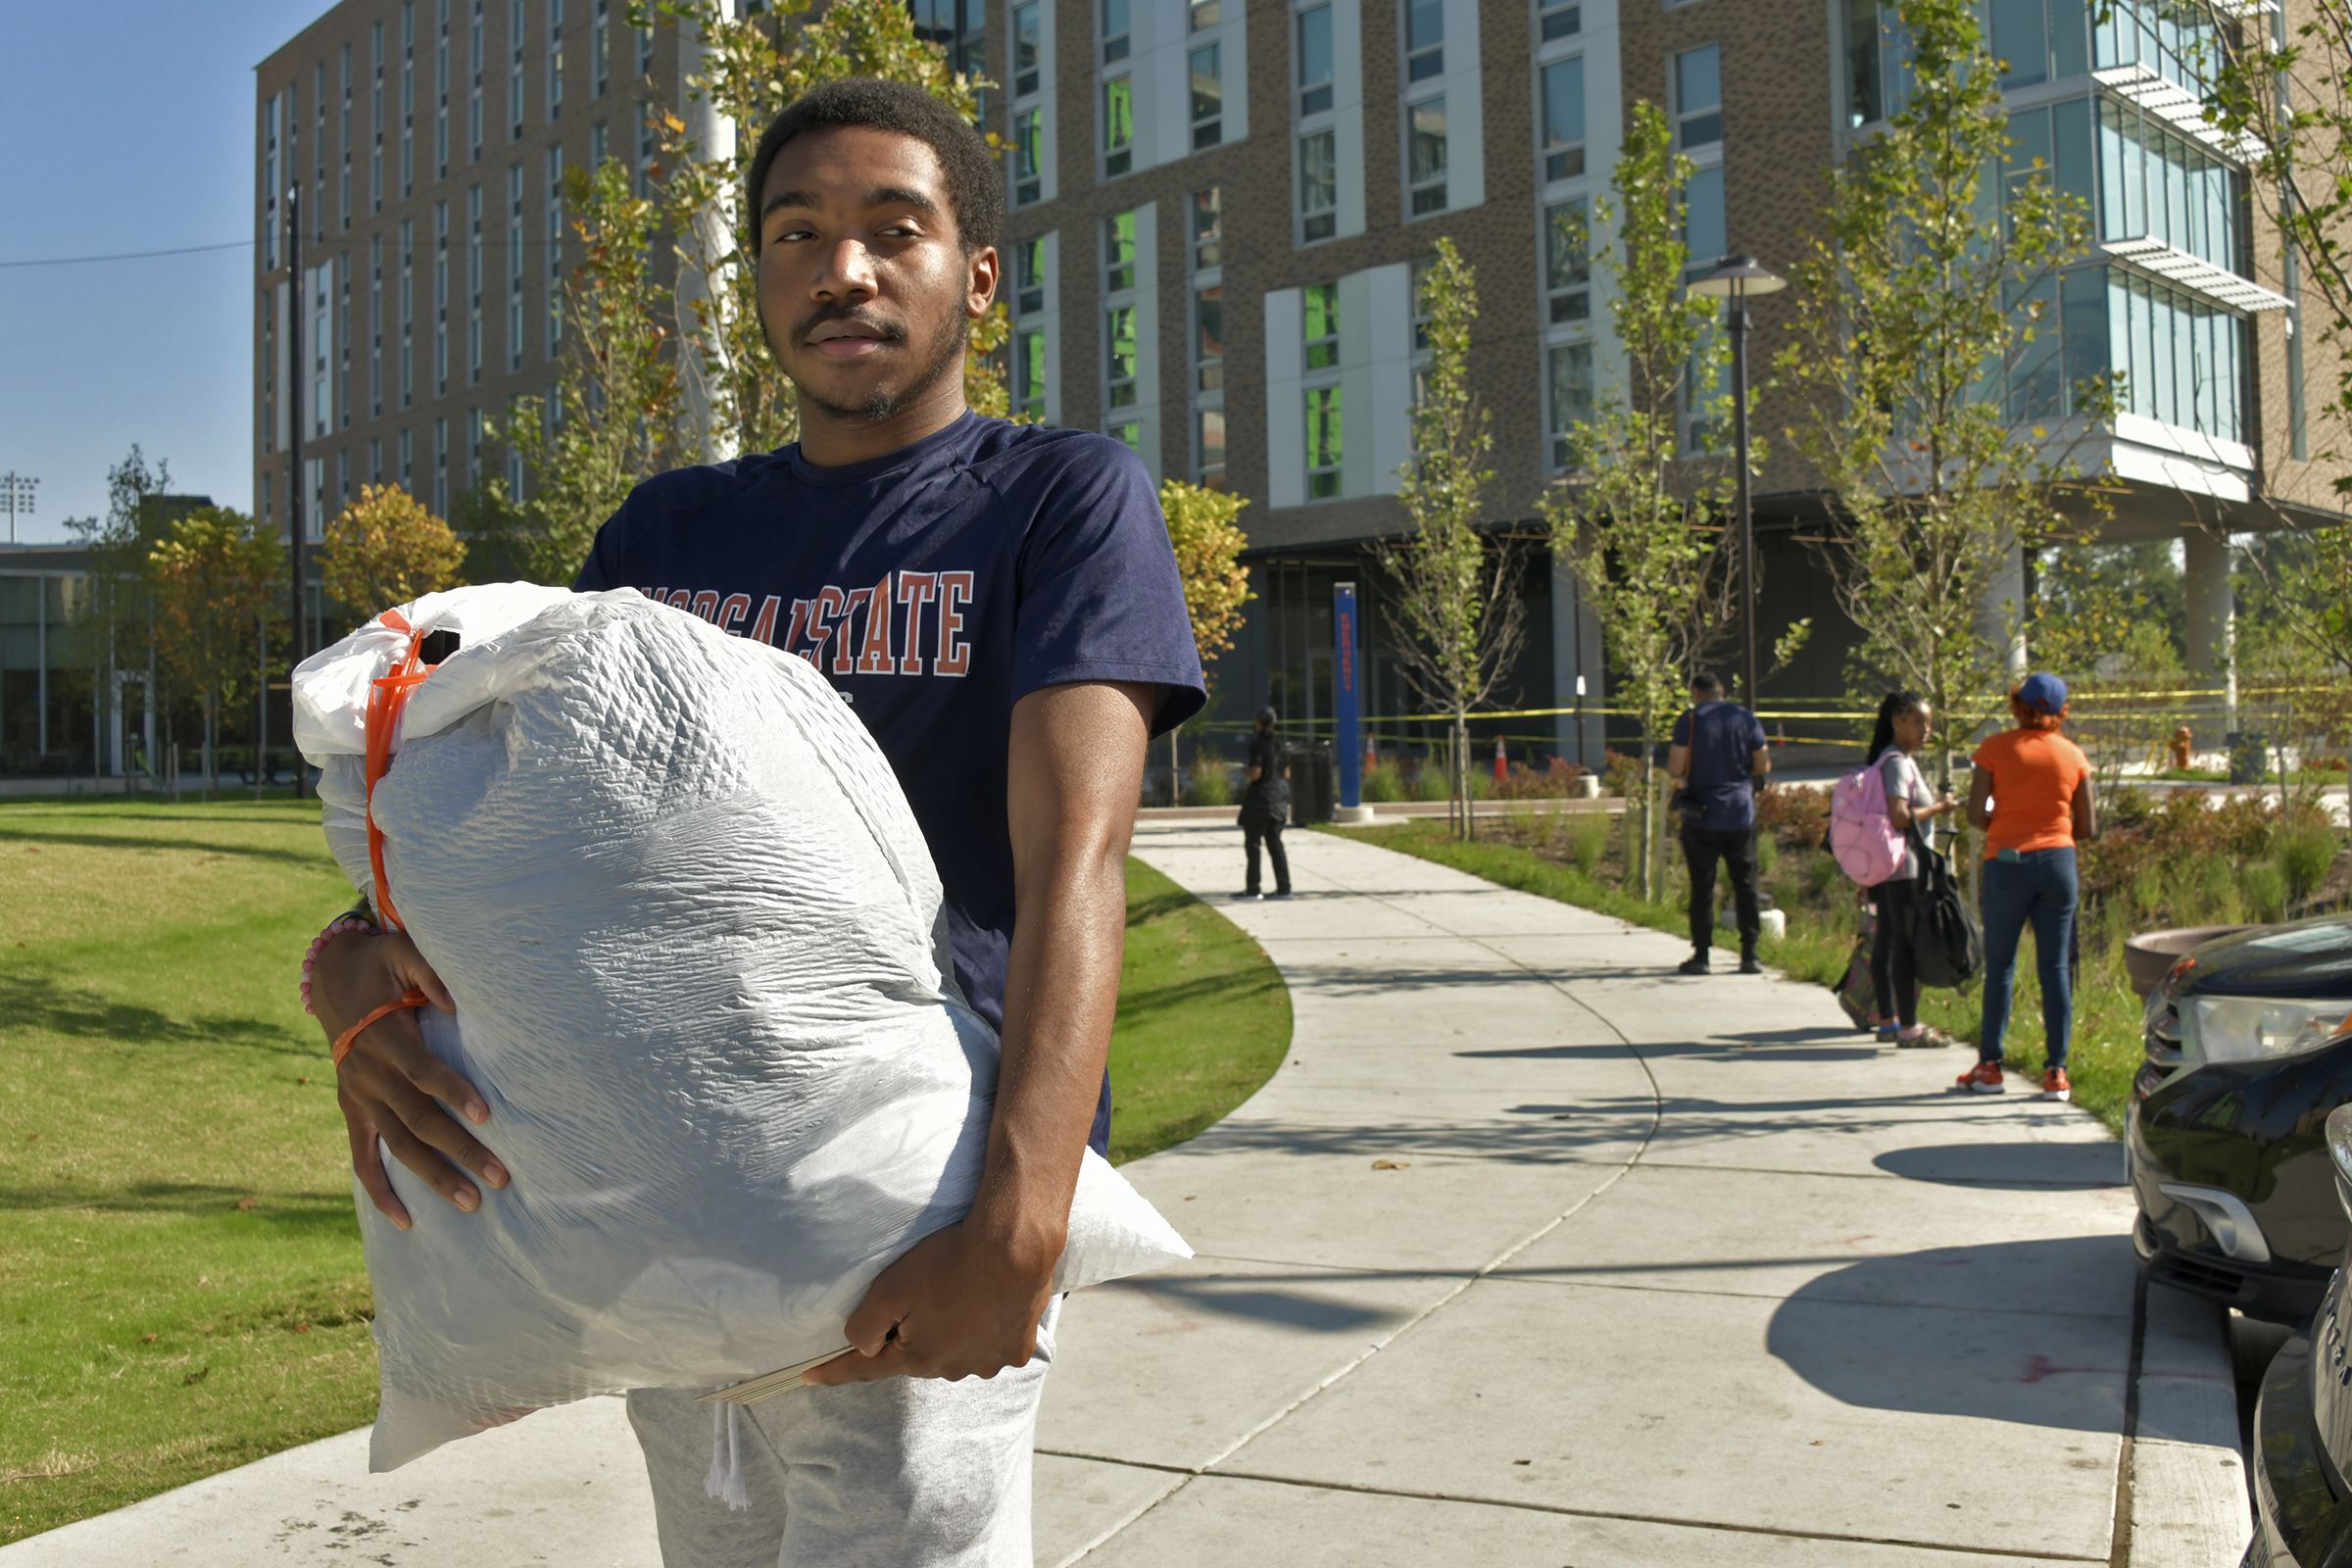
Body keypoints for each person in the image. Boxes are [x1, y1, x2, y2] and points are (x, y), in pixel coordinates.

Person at [304, 77, 1206, 1565]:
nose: (841, 269)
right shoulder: (667, 534)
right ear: (757, 283)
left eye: (890, 230)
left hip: (921, 1201)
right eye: (797, 233)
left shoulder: (1057, 498)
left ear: (975, 276)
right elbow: (523, 838)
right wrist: (351, 964)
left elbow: (1078, 866)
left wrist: (1022, 1222)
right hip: (679, 1196)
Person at [1956, 672, 2095, 1101]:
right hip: (2058, 863)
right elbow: (2088, 825)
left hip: (2008, 862)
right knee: (2054, 968)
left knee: (2000, 966)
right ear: (2061, 711)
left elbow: (1976, 815)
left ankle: (1990, 1067)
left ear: (2017, 705)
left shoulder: (1994, 749)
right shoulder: (2073, 756)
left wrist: (2007, 816)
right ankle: (2057, 1071)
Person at [1861, 690, 1961, 1046]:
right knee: (1902, 943)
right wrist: (1939, 808)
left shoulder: (1889, 760)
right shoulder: (1896, 763)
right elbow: (1900, 816)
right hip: (1903, 866)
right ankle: (1908, 1026)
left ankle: (1889, 1021)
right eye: (1918, 721)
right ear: (1897, 721)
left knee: (1887, 939)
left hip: (1887, 865)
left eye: (1929, 722)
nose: (1926, 729)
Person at [1665, 670, 1771, 976]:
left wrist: (1689, 775)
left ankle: (1702, 956)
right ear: (1722, 690)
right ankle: (1750, 955)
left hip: (1702, 816)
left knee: (1702, 885)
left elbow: (1674, 767)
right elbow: (1763, 763)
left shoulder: (1690, 720)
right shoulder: (1745, 717)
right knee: (1746, 884)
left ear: (1696, 692)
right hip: (1740, 813)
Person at [1236, 706, 1294, 900]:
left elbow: (1256, 773)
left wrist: (1246, 771)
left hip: (1259, 801)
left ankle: (1253, 888)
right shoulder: (1280, 745)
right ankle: (1284, 889)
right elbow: (1286, 774)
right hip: (1278, 801)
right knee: (1275, 844)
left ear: (1259, 723)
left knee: (1253, 844)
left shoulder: (1257, 744)